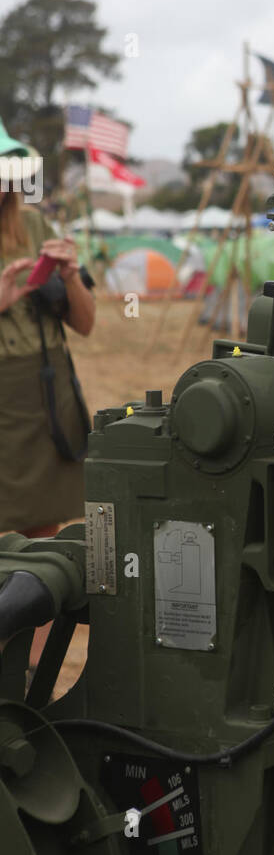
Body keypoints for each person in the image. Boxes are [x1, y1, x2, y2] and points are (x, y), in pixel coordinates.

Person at [0, 120, 95, 551]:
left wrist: (72, 278)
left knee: (42, 528)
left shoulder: (34, 224)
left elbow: (85, 324)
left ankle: (33, 617)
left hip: (43, 386)